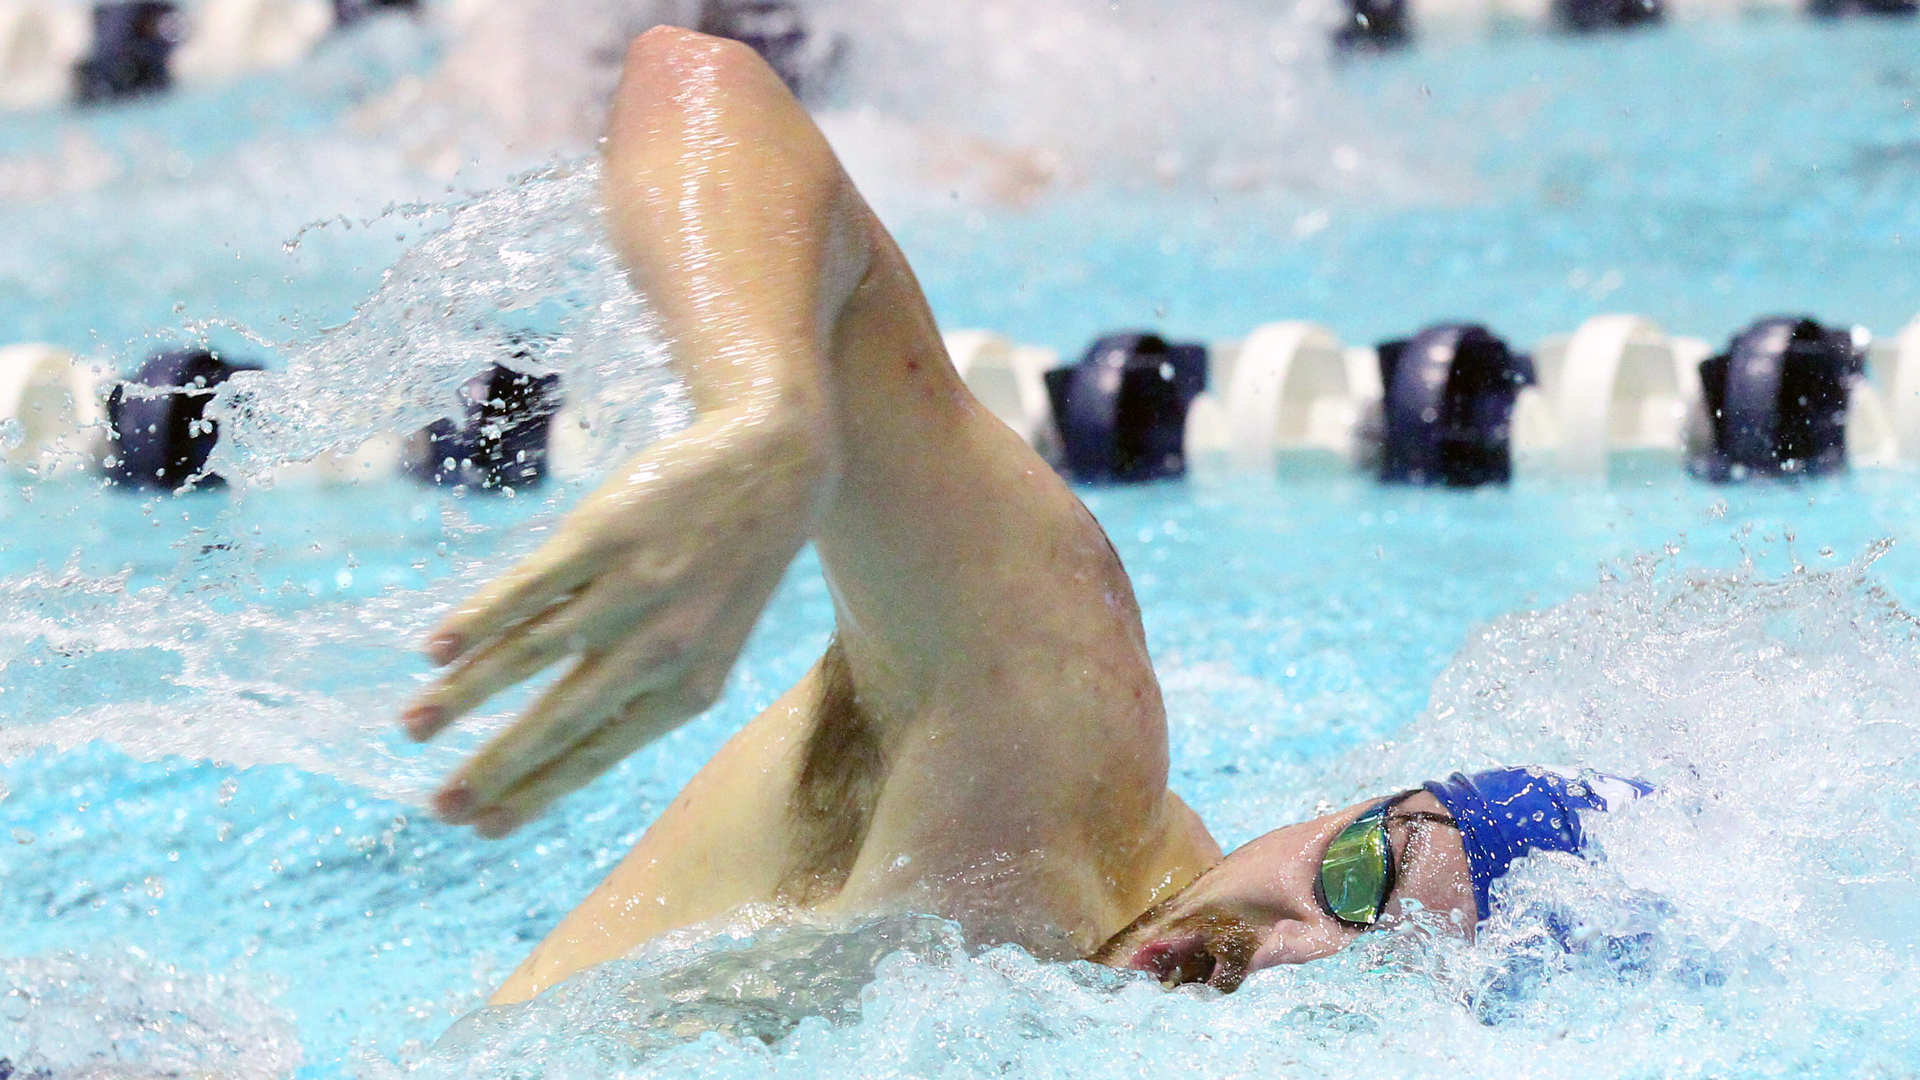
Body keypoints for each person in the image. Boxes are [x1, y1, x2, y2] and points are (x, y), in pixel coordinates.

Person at [398, 26, 1644, 1007]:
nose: (1296, 955)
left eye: (1387, 991)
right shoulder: (1052, 754)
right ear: (1348, 812)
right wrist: (767, 410)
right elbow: (700, 85)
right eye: (1363, 879)